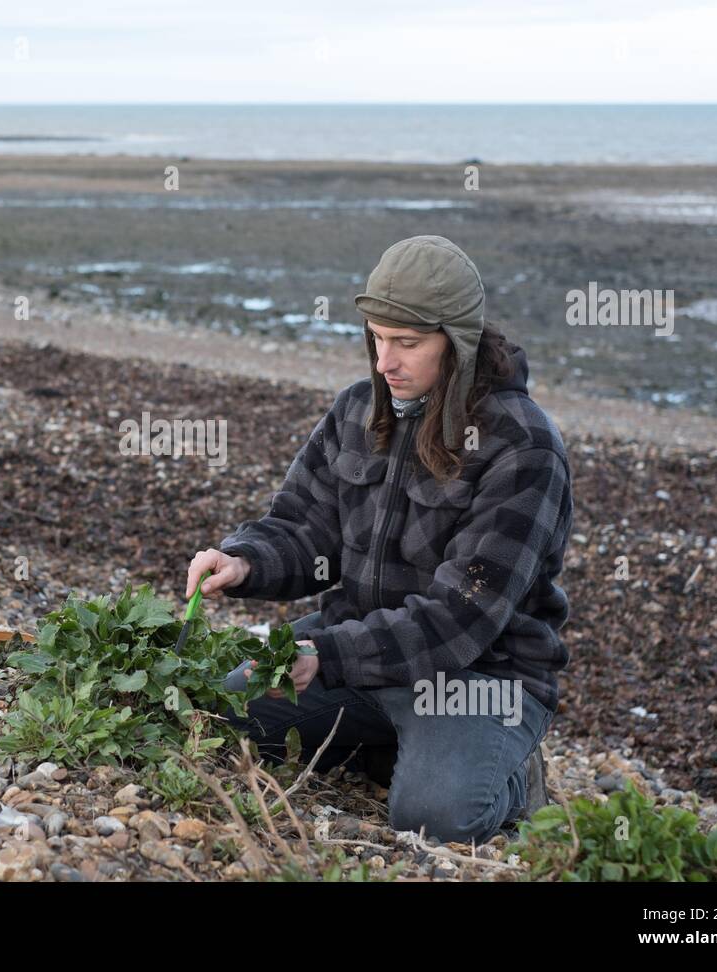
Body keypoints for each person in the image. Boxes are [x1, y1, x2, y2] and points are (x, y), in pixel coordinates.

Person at [184, 235, 574, 845]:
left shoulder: (523, 446)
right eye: (376, 338)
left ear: (460, 344)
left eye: (407, 343)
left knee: (434, 819)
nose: (384, 361)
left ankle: (512, 774)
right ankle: (380, 744)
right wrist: (243, 562)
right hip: (357, 656)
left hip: (476, 678)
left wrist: (328, 656)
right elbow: (305, 531)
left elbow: (459, 619)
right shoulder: (357, 412)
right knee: (212, 718)